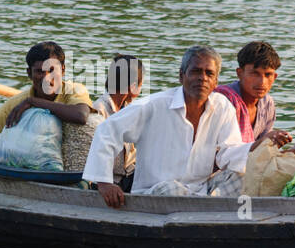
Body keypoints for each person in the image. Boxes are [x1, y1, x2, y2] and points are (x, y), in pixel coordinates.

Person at [83, 45, 248, 207]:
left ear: (215, 82)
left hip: (202, 190)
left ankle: (206, 208)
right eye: (196, 71)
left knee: (244, 177)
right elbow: (107, 130)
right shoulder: (154, 105)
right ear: (181, 76)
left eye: (209, 73)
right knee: (172, 189)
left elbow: (230, 152)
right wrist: (103, 182)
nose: (202, 78)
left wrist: (258, 147)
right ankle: (208, 208)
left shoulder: (222, 107)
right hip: (156, 192)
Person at [0, 42, 94, 169]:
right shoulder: (16, 103)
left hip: (67, 169)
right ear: (29, 73)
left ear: (63, 70)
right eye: (39, 71)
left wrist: (33, 102)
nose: (46, 78)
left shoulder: (74, 90)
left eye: (52, 70)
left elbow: (80, 115)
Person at [215, 41, 295, 168]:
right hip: (228, 170)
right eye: (255, 73)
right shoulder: (224, 100)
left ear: (275, 77)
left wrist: (281, 148)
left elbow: (264, 154)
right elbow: (227, 157)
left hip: (255, 164)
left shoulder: (267, 103)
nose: (262, 82)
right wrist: (290, 156)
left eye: (268, 75)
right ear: (240, 73)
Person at [88, 54, 143, 191]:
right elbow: (97, 154)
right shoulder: (99, 110)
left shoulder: (129, 109)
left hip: (129, 175)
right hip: (108, 181)